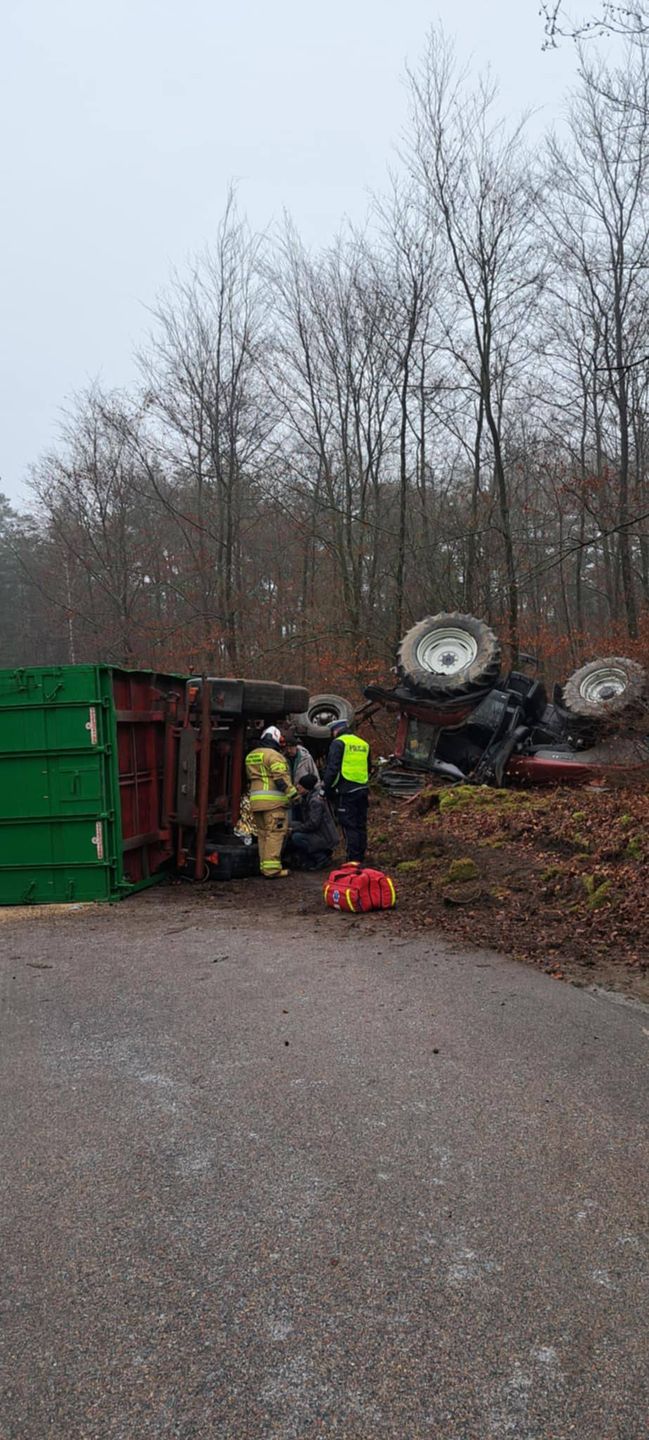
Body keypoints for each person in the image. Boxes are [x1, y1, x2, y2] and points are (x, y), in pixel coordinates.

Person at [245, 726, 297, 879]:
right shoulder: (274, 756)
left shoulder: (251, 755)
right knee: (275, 833)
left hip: (255, 801)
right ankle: (272, 870)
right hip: (273, 803)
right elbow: (280, 779)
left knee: (263, 834)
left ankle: (264, 867)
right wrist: (293, 795)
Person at [322, 719, 371, 864]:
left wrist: (325, 788)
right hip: (362, 788)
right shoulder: (363, 743)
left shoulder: (338, 743)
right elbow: (369, 767)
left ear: (335, 731)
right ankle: (360, 857)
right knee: (360, 825)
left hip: (346, 790)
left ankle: (352, 860)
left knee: (349, 826)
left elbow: (333, 768)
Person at [285, 773, 339, 870]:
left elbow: (313, 824)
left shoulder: (315, 801)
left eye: (300, 786)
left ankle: (321, 858)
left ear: (306, 788)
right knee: (293, 824)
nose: (297, 787)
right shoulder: (308, 798)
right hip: (321, 833)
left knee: (297, 837)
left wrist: (293, 830)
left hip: (325, 837)